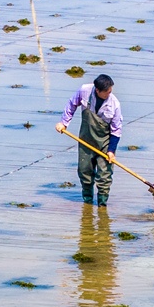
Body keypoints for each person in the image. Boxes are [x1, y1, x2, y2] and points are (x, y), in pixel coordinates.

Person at [55, 74, 122, 207]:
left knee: (104, 177)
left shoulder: (114, 104)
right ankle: (88, 206)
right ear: (97, 90)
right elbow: (72, 104)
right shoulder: (84, 91)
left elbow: (116, 130)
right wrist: (64, 123)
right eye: (107, 91)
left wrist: (111, 151)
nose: (110, 93)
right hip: (86, 139)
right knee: (85, 173)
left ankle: (102, 207)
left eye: (111, 90)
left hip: (105, 143)